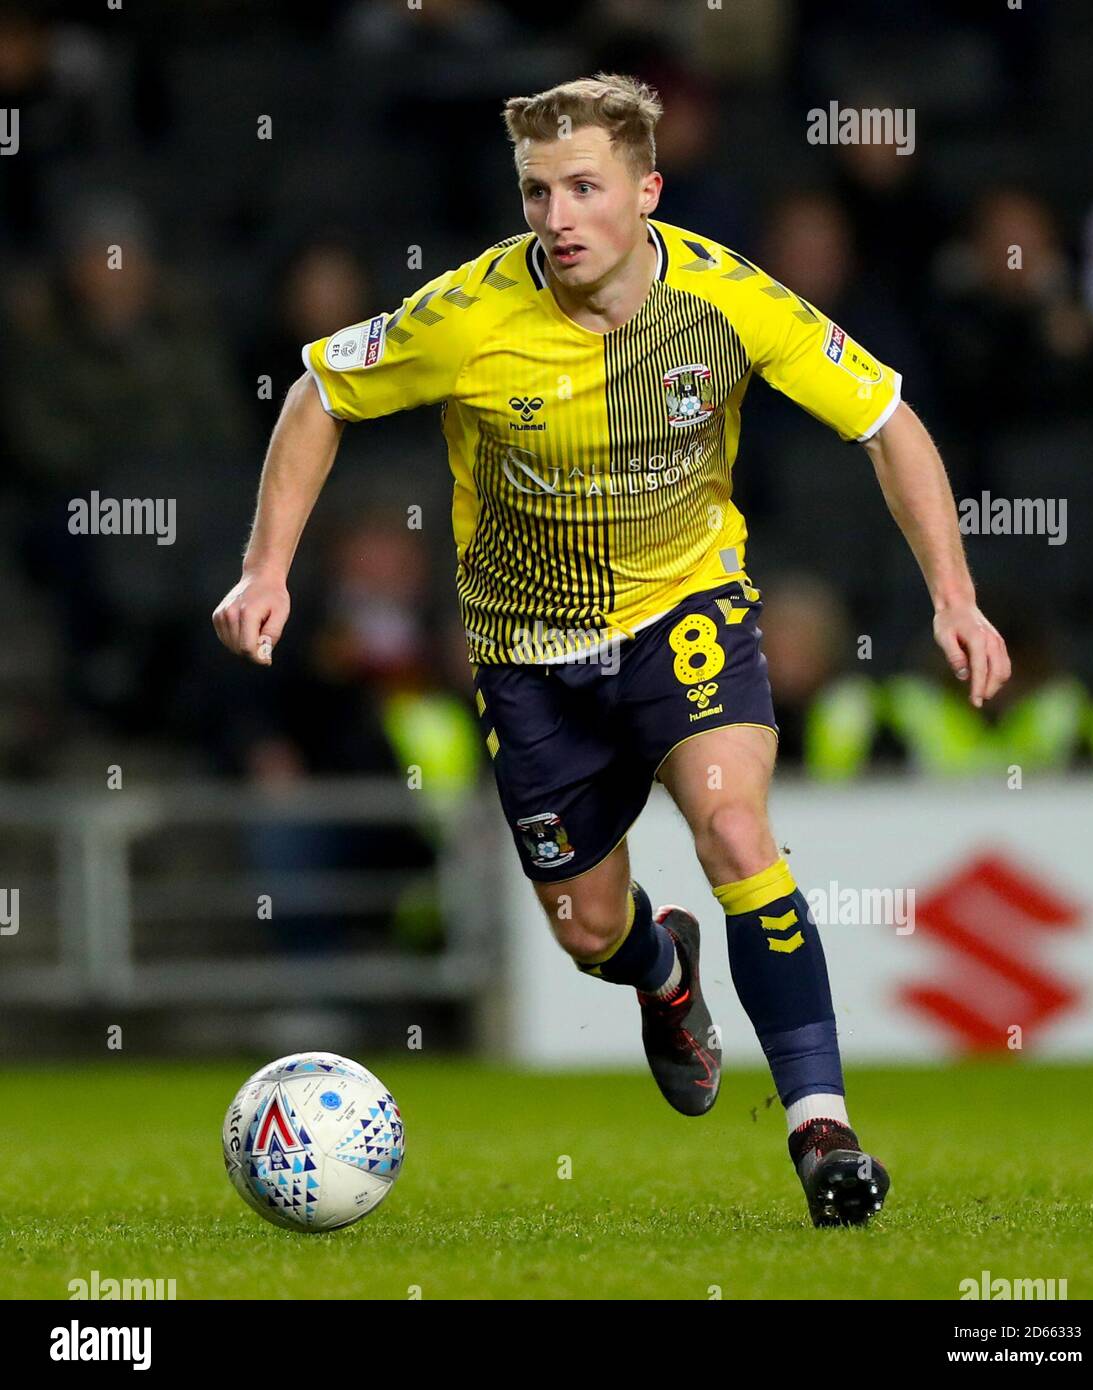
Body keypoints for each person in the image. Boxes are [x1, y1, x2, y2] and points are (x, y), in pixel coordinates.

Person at [212, 73, 1012, 1227]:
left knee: (735, 827)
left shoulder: (729, 298)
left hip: (684, 611)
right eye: (537, 191)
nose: (556, 217)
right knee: (589, 927)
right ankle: (660, 971)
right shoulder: (464, 316)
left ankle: (821, 1131)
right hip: (528, 653)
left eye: (583, 187)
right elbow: (319, 392)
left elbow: (886, 420)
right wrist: (267, 567)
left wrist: (953, 593)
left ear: (646, 190)